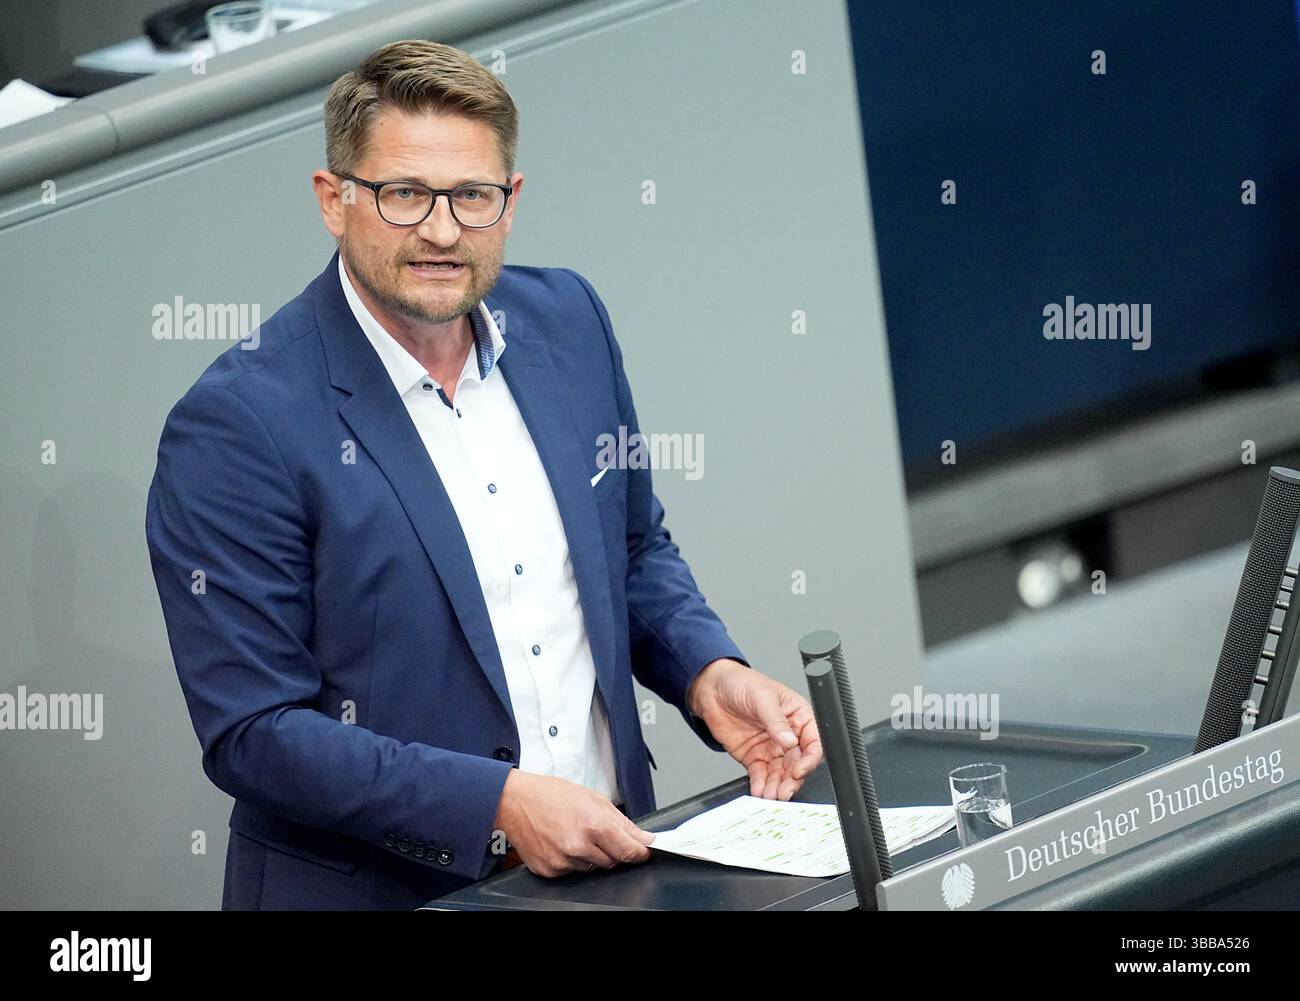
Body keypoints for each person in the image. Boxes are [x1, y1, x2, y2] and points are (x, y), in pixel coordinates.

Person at [145, 38, 822, 911]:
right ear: (333, 200)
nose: (440, 228)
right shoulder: (238, 423)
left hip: (613, 874)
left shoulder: (568, 320)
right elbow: (256, 732)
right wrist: (496, 806)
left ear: (511, 200)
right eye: (403, 195)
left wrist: (706, 671)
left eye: (472, 195)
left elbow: (631, 550)